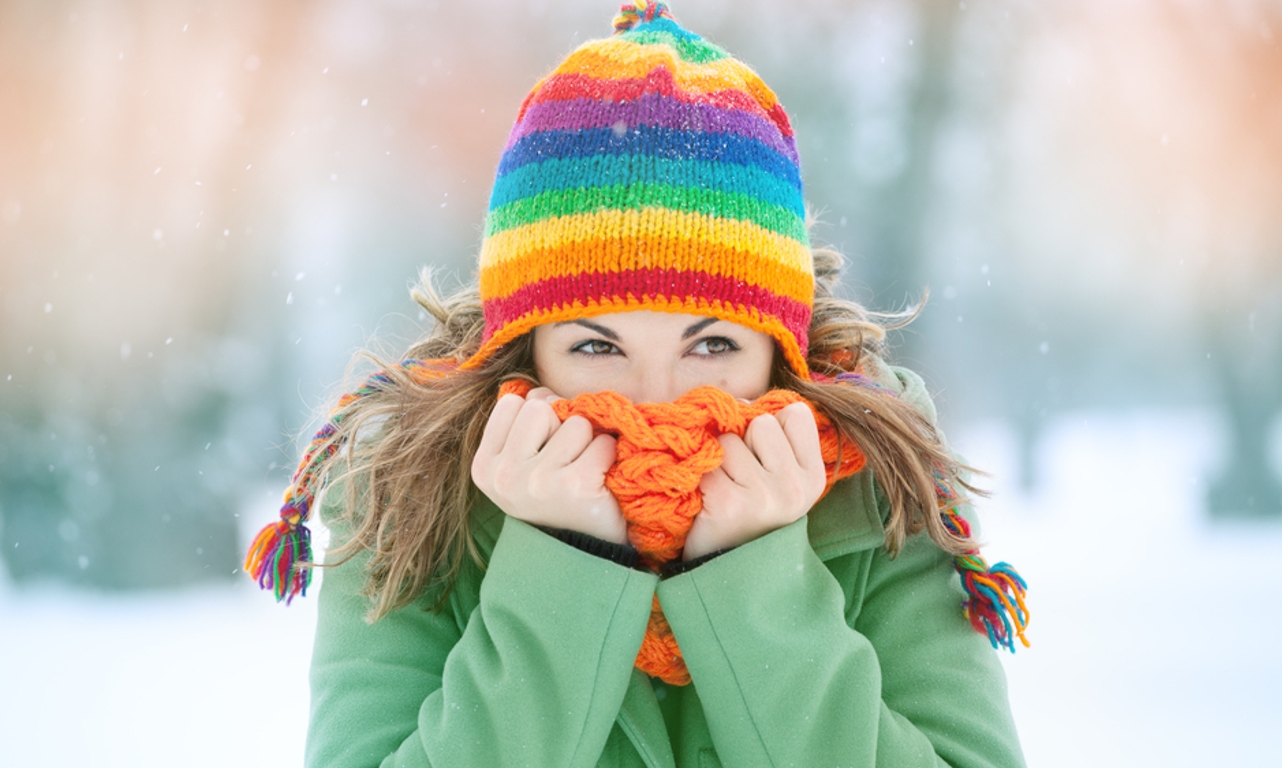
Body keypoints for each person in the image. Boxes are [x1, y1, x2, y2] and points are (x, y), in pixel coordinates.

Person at [245, 3, 1028, 766]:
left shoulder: (880, 486)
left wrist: (755, 585)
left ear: (779, 352)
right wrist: (562, 561)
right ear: (525, 351)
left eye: (713, 343)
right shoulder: (406, 498)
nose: (656, 401)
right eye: (596, 345)